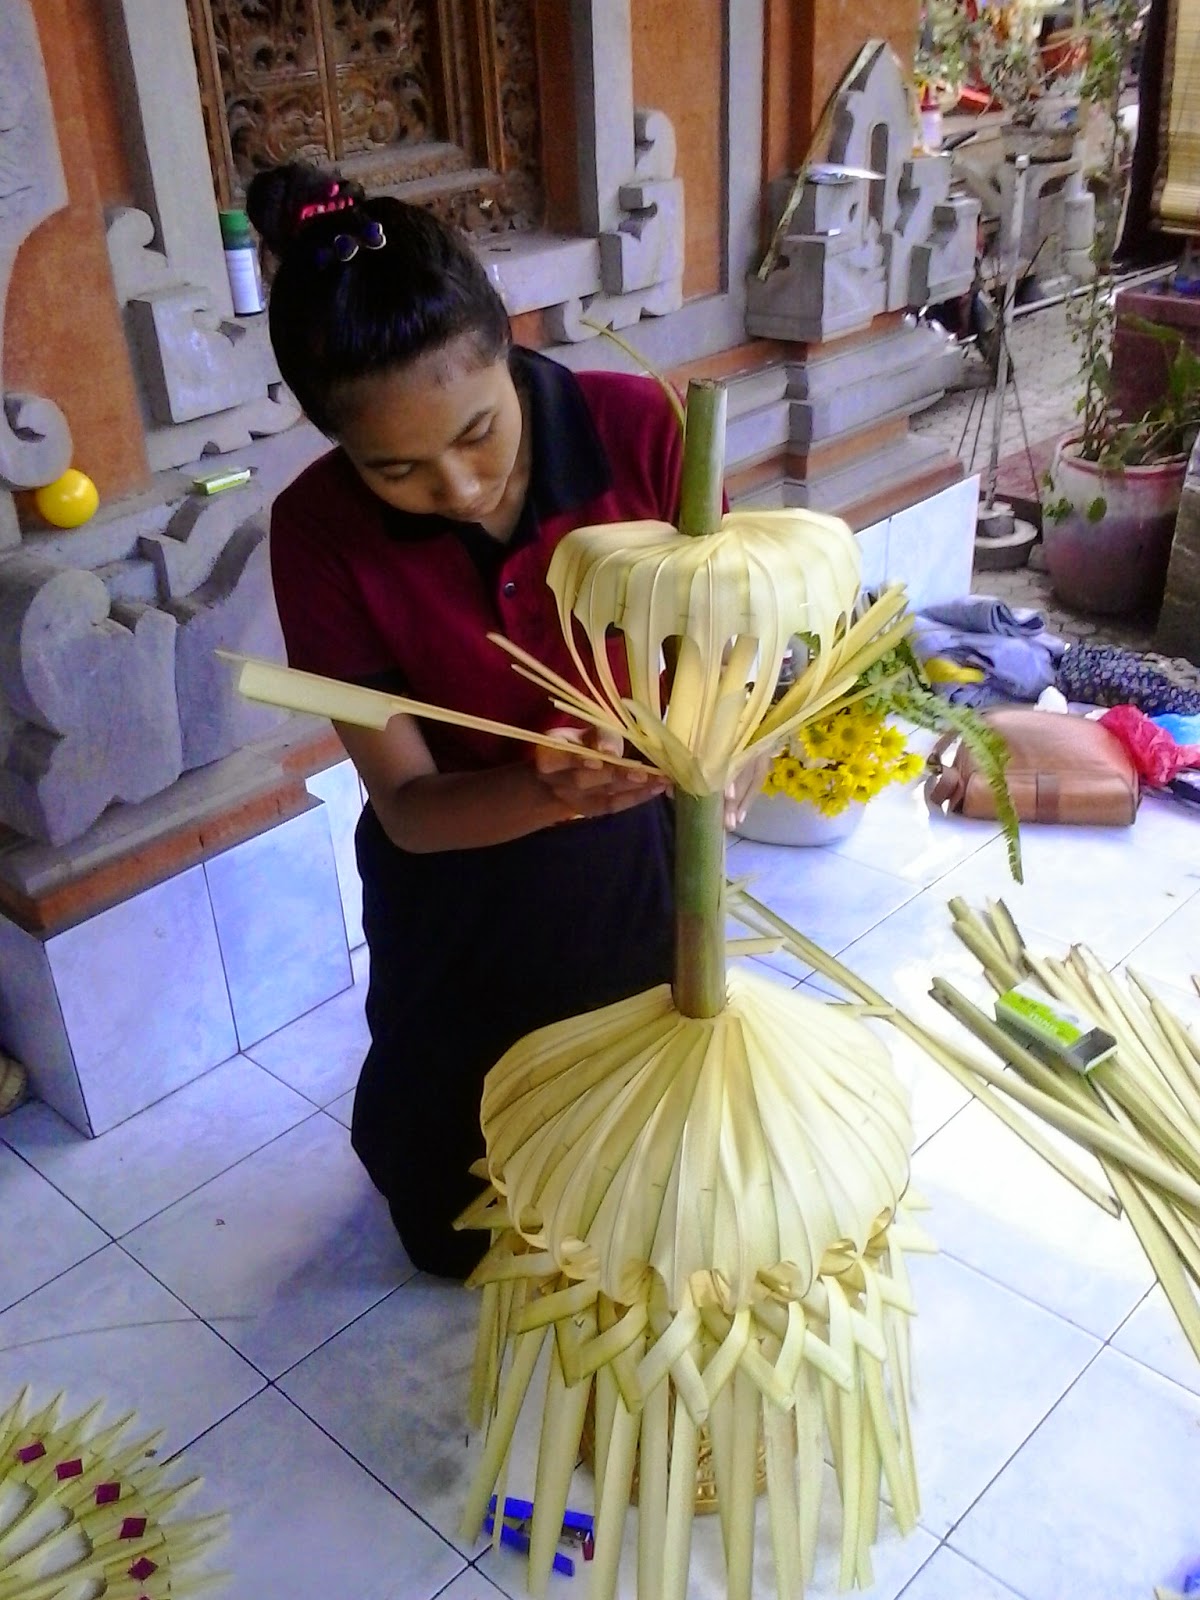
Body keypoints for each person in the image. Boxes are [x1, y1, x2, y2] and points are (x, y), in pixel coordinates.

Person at [249, 162, 709, 1278]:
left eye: (477, 433)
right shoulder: (313, 531)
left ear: (508, 344)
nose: (454, 487)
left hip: (628, 860)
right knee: (454, 1224)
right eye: (394, 467)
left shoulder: (639, 427)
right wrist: (540, 787)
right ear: (333, 445)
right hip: (455, 875)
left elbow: (723, 641)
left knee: (627, 1158)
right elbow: (406, 805)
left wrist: (714, 744)